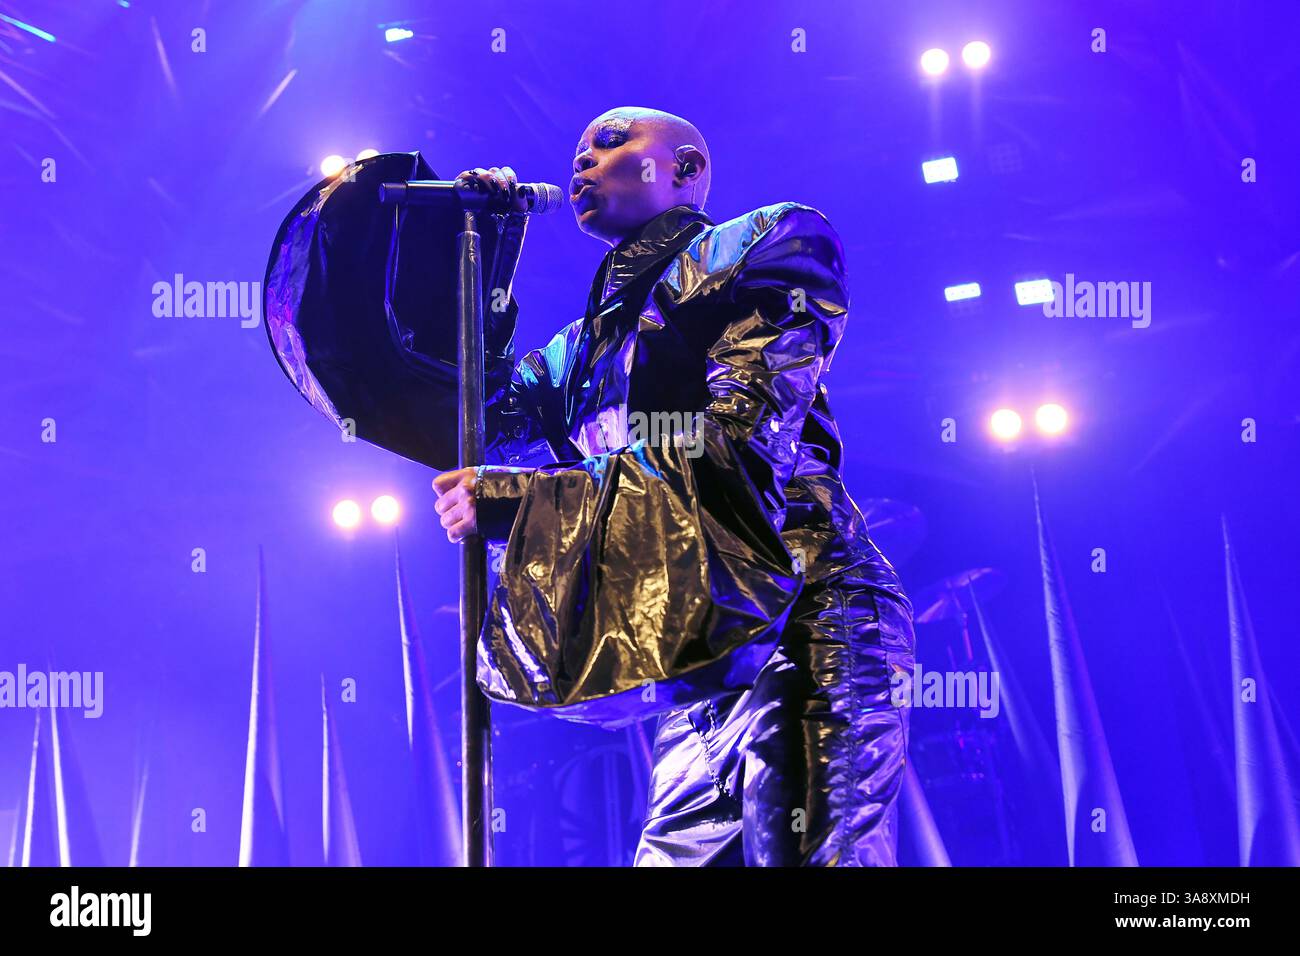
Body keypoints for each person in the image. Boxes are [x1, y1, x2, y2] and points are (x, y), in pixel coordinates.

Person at [432, 107, 916, 866]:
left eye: (611, 140)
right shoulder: (578, 355)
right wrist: (490, 254)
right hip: (703, 658)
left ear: (685, 170)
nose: (583, 161)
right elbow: (471, 416)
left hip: (802, 613)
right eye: (578, 151)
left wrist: (526, 501)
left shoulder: (764, 245)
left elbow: (733, 444)